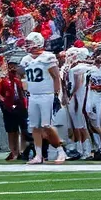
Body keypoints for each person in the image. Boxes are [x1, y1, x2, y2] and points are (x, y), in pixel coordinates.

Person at [19, 32, 68, 164]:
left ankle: (60, 151)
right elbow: (22, 75)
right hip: (33, 96)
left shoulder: (48, 57)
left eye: (29, 43)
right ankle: (38, 155)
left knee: (46, 125)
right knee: (35, 127)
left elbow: (56, 77)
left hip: (46, 95)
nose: (27, 45)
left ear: (38, 42)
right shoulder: (26, 59)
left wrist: (57, 93)